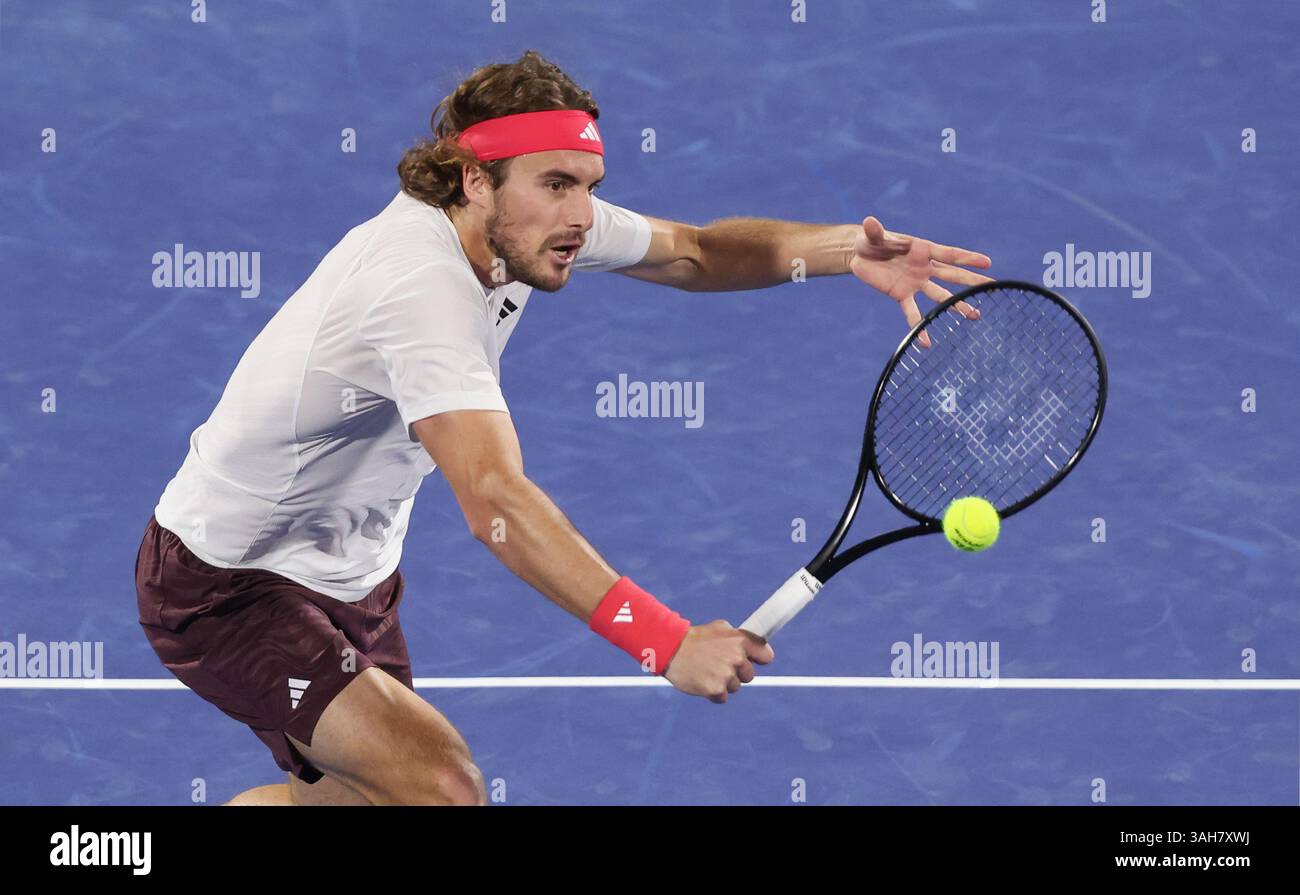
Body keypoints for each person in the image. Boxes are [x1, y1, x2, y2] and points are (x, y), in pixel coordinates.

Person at [134, 50, 993, 806]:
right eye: (556, 185)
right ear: (476, 180)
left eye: (588, 186)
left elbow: (692, 251)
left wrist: (847, 250)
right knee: (442, 788)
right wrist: (665, 640)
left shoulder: (521, 229)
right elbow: (495, 499)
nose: (582, 216)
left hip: (353, 576)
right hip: (228, 585)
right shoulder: (419, 290)